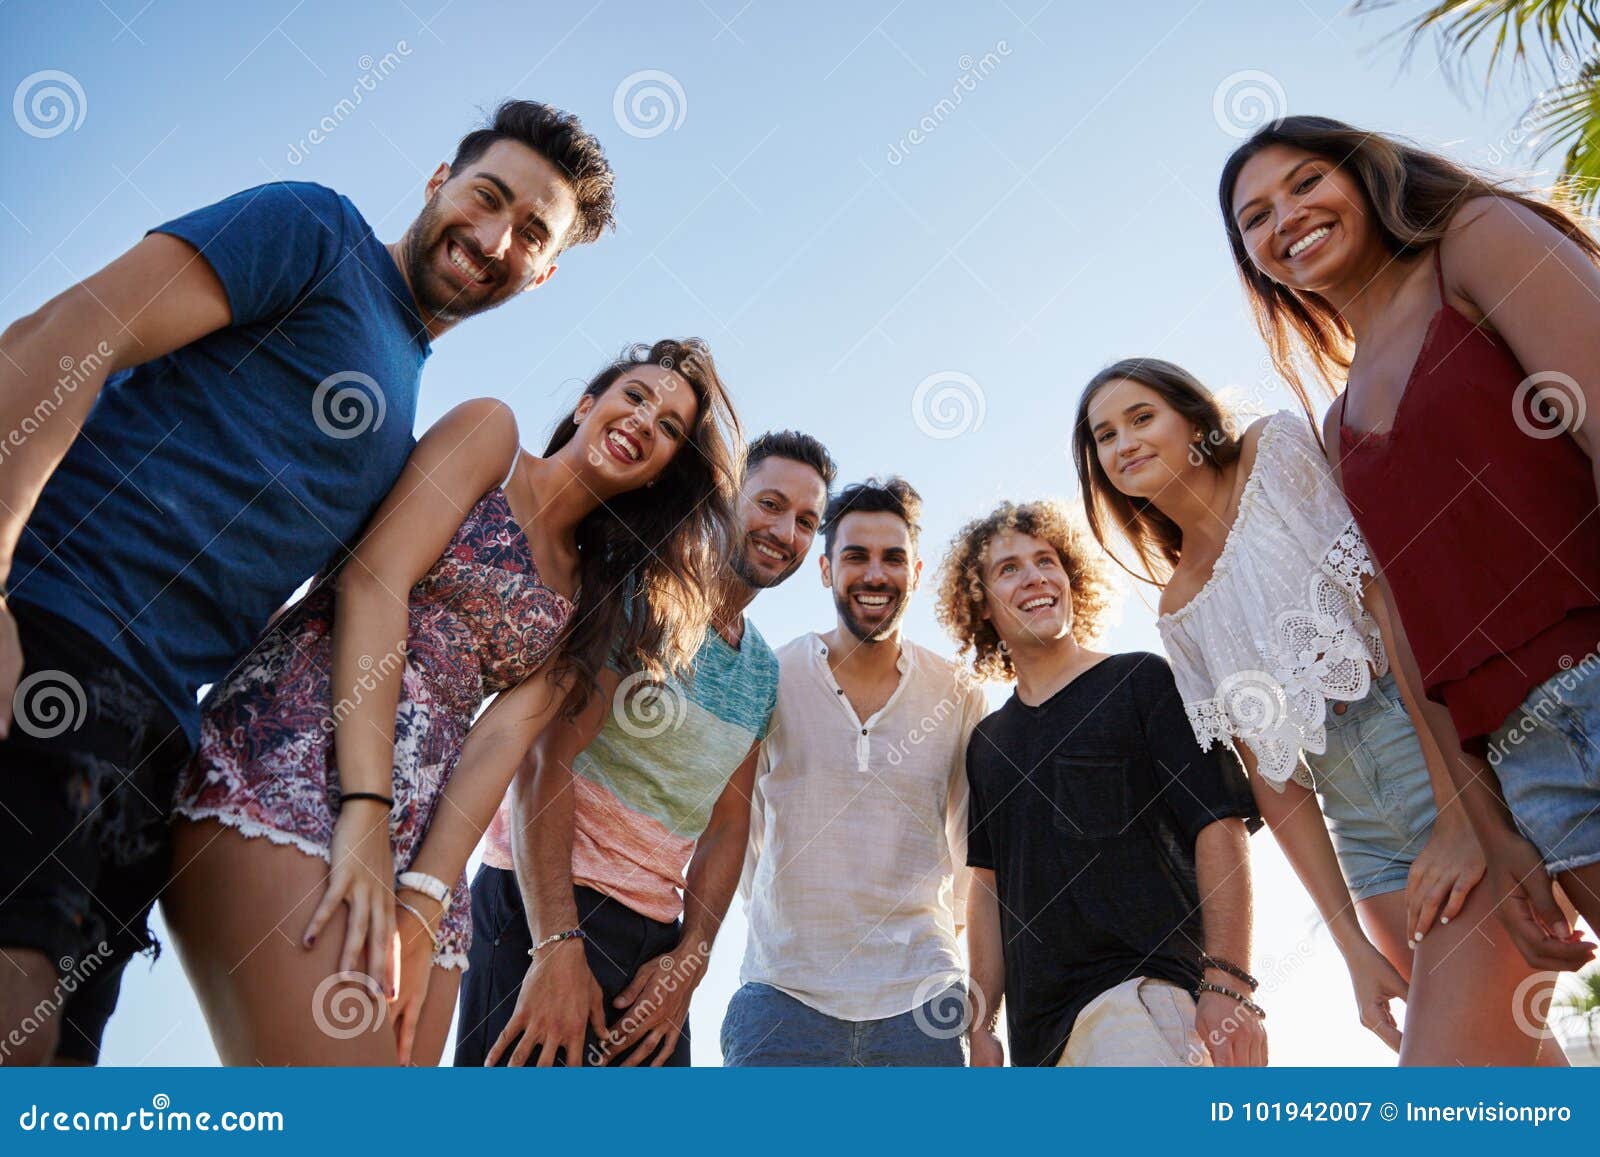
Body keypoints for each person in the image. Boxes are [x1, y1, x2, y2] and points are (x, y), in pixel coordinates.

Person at [0, 98, 617, 1065]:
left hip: (157, 733)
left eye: (530, 234)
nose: (493, 237)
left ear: (540, 274)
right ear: (435, 186)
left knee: (60, 1064)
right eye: (487, 197)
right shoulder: (314, 229)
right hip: (52, 628)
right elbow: (71, 329)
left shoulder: (406, 409)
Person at [164, 340, 739, 1066]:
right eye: (635, 396)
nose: (644, 422)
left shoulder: (593, 599)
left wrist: (428, 896)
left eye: (669, 429)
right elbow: (376, 581)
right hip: (299, 748)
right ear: (587, 404)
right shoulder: (491, 439)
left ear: (662, 471)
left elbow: (500, 743)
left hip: (424, 821)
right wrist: (366, 810)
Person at [1075, 358, 1564, 1064]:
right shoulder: (1179, 607)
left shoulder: (1274, 455)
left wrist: (1463, 811)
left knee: (1447, 1072)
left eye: (1141, 417)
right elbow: (1276, 782)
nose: (1123, 443)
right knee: (1523, 1063)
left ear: (1194, 418)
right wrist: (1351, 947)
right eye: (1104, 435)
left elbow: (1393, 615)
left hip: (1441, 757)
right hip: (1364, 839)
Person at [1221, 115, 1600, 973]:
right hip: (1529, 759)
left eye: (1306, 182)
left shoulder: (1475, 242)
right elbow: (1412, 630)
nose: (1284, 218)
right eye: (1255, 218)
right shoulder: (1336, 423)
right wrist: (1485, 820)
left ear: (1365, 177)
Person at [455, 431, 835, 1067]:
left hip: (651, 944)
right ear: (728, 499)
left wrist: (689, 962)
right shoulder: (644, 598)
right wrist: (554, 944)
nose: (784, 531)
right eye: (769, 503)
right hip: (540, 907)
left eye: (805, 521)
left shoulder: (764, 670)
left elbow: (728, 822)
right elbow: (545, 759)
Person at [937, 499, 1265, 1067]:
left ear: (1071, 578)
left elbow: (1220, 824)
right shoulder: (987, 745)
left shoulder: (1141, 680)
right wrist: (982, 1024)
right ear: (981, 603)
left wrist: (1227, 981)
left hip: (1143, 1003)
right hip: (1039, 1045)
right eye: (1008, 568)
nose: (1035, 577)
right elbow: (987, 889)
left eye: (1046, 560)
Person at [722, 476, 987, 1067]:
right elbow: (740, 831)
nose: (874, 575)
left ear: (915, 573)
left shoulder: (959, 693)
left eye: (893, 558)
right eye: (855, 556)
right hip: (782, 996)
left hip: (922, 1001)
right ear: (825, 570)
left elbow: (973, 847)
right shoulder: (773, 674)